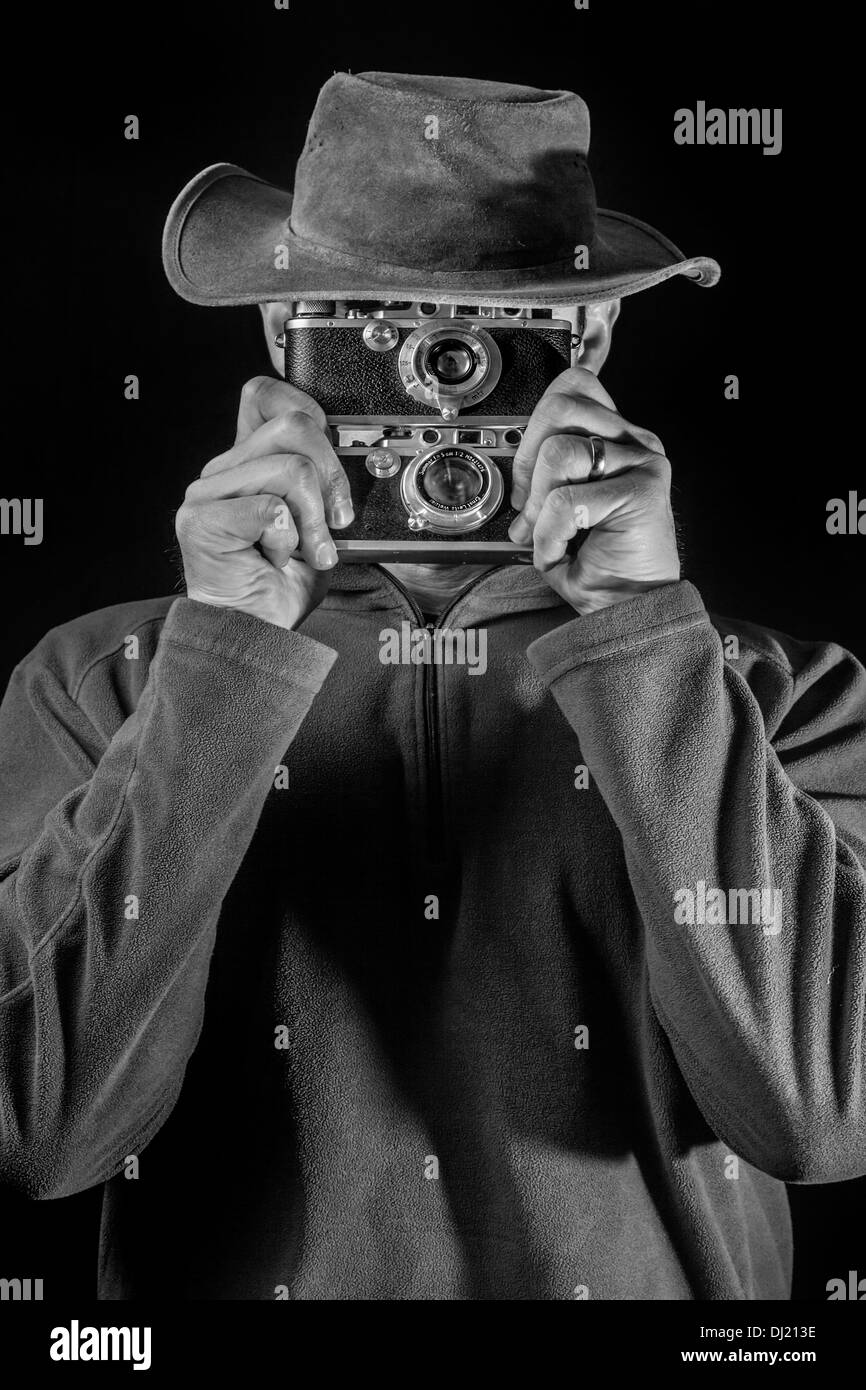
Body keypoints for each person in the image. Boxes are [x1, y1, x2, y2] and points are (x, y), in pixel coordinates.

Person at [0, 71, 863, 1301]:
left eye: (485, 331)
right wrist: (219, 660)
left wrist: (641, 639)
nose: (434, 375)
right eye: (371, 323)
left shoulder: (788, 697)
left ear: (591, 338)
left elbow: (820, 1116)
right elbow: (39, 1131)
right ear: (278, 336)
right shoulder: (100, 683)